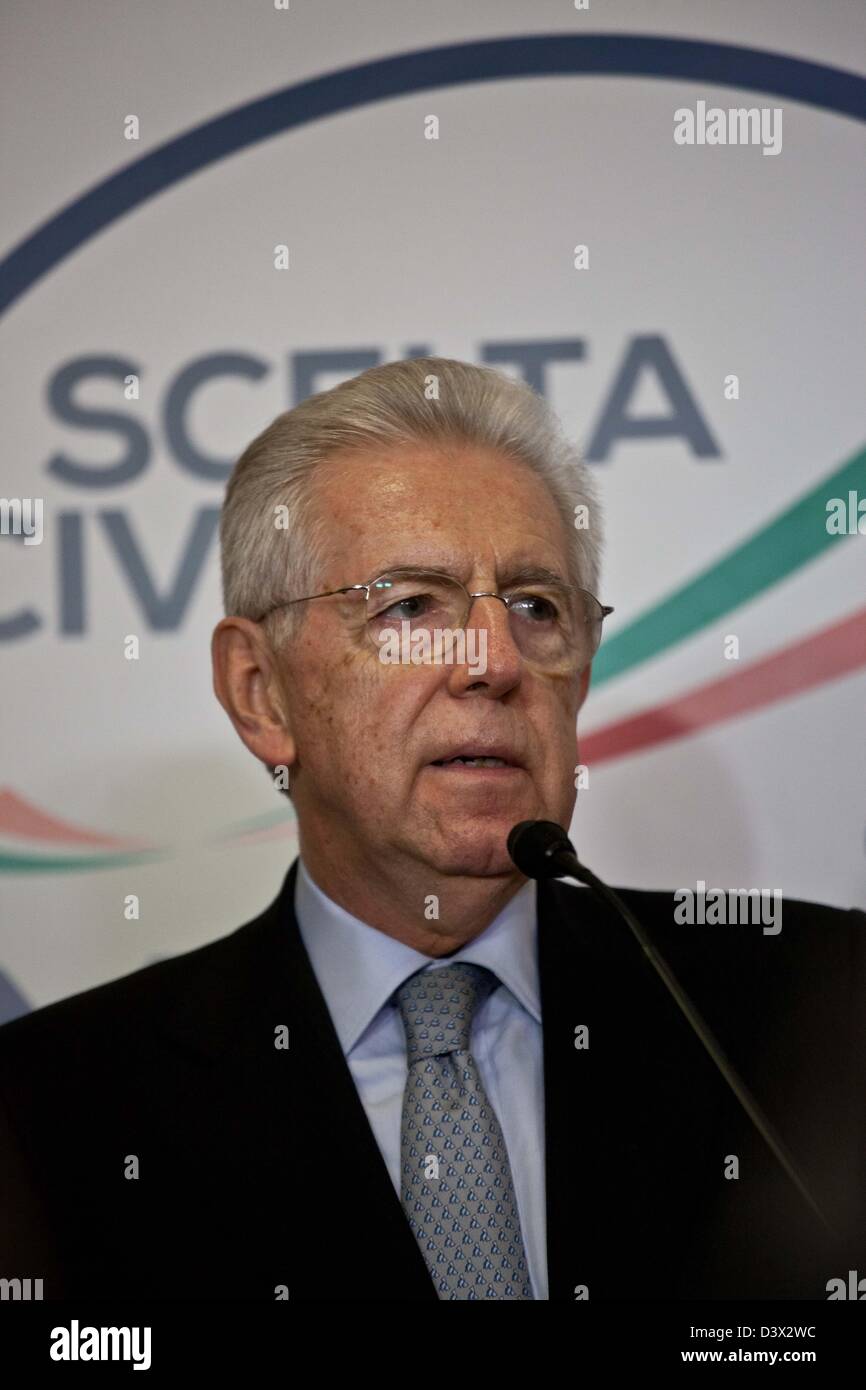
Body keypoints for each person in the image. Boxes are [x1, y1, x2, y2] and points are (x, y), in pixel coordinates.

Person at [1, 358, 863, 1301]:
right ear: (261, 693)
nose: (493, 662)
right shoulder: (50, 1112)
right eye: (410, 606)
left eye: (537, 607)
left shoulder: (821, 1012)